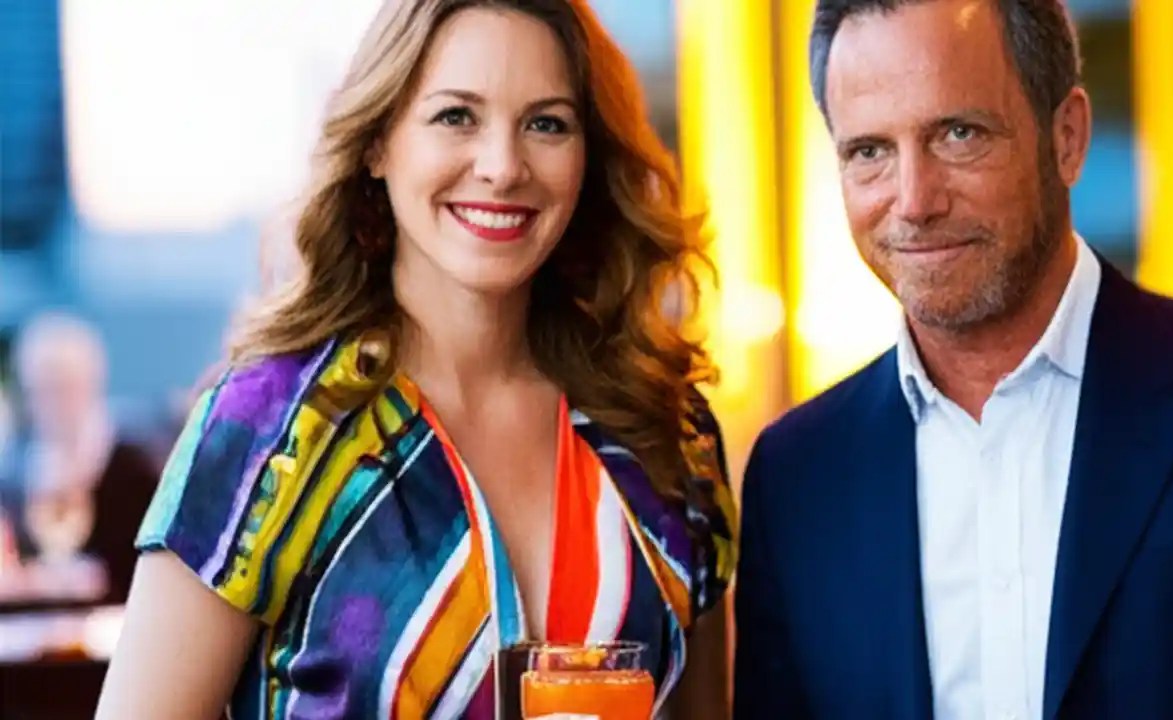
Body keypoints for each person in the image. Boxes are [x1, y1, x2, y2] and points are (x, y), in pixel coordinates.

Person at [95, 1, 735, 718]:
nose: (502, 166)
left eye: (547, 123)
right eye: (456, 116)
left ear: (589, 157)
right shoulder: (271, 433)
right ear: (378, 143)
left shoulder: (665, 434)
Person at [733, 0, 1173, 718]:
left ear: (1068, 137)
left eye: (958, 133)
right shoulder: (797, 476)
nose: (914, 200)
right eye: (869, 151)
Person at [0, 312, 158, 606]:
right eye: (41, 390)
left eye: (63, 387)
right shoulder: (15, 469)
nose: (52, 403)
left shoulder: (132, 469)